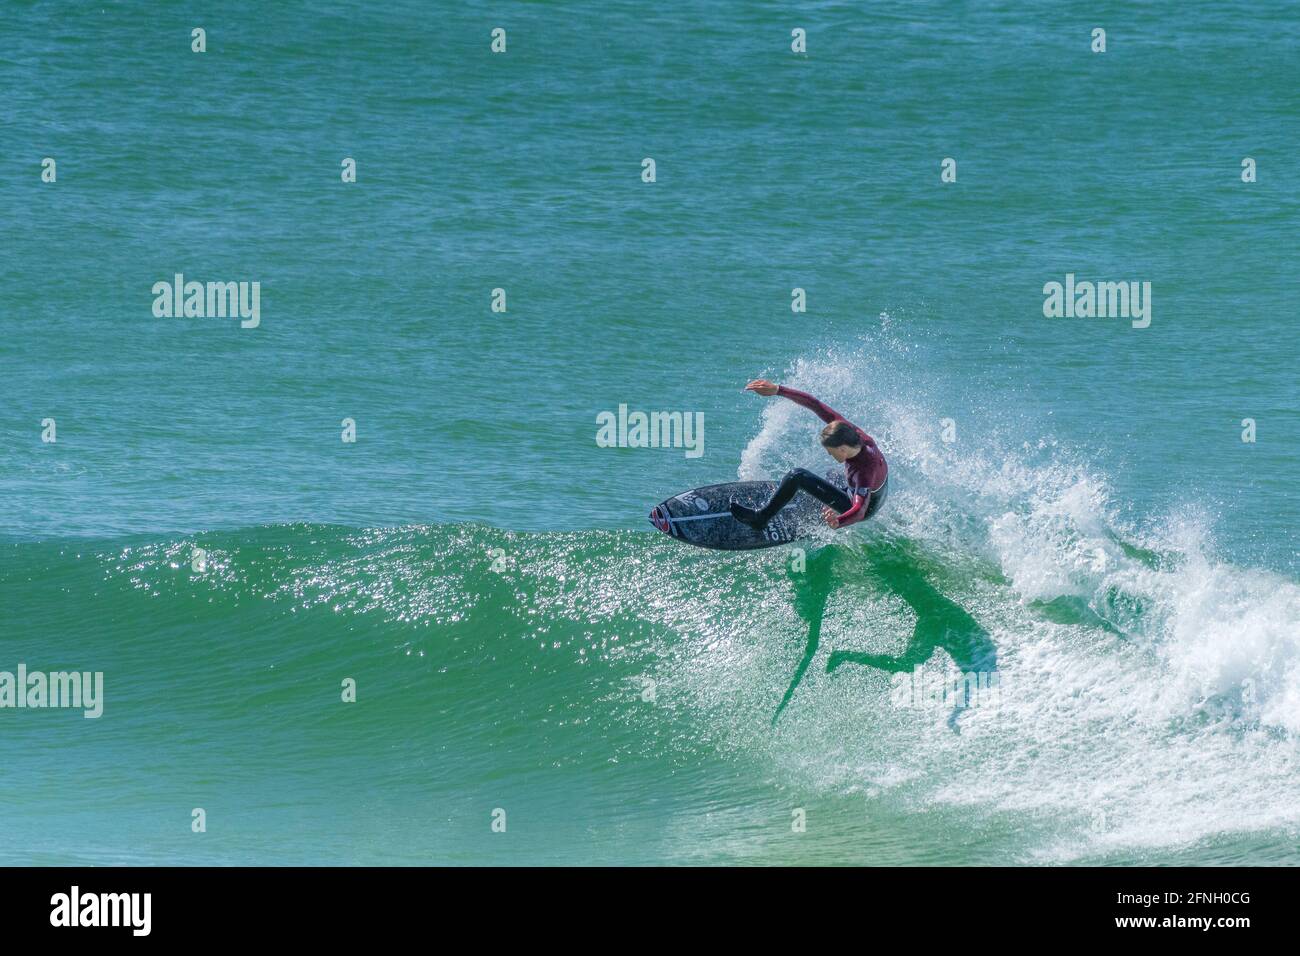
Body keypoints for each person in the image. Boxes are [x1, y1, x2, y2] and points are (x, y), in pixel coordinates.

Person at [729, 380, 889, 530]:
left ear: (842, 449)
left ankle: (761, 519)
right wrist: (777, 390)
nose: (829, 454)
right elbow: (815, 404)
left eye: (831, 451)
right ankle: (813, 500)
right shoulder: (849, 432)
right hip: (864, 491)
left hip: (863, 507)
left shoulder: (864, 471)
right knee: (832, 475)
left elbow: (860, 510)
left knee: (797, 476)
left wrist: (838, 521)